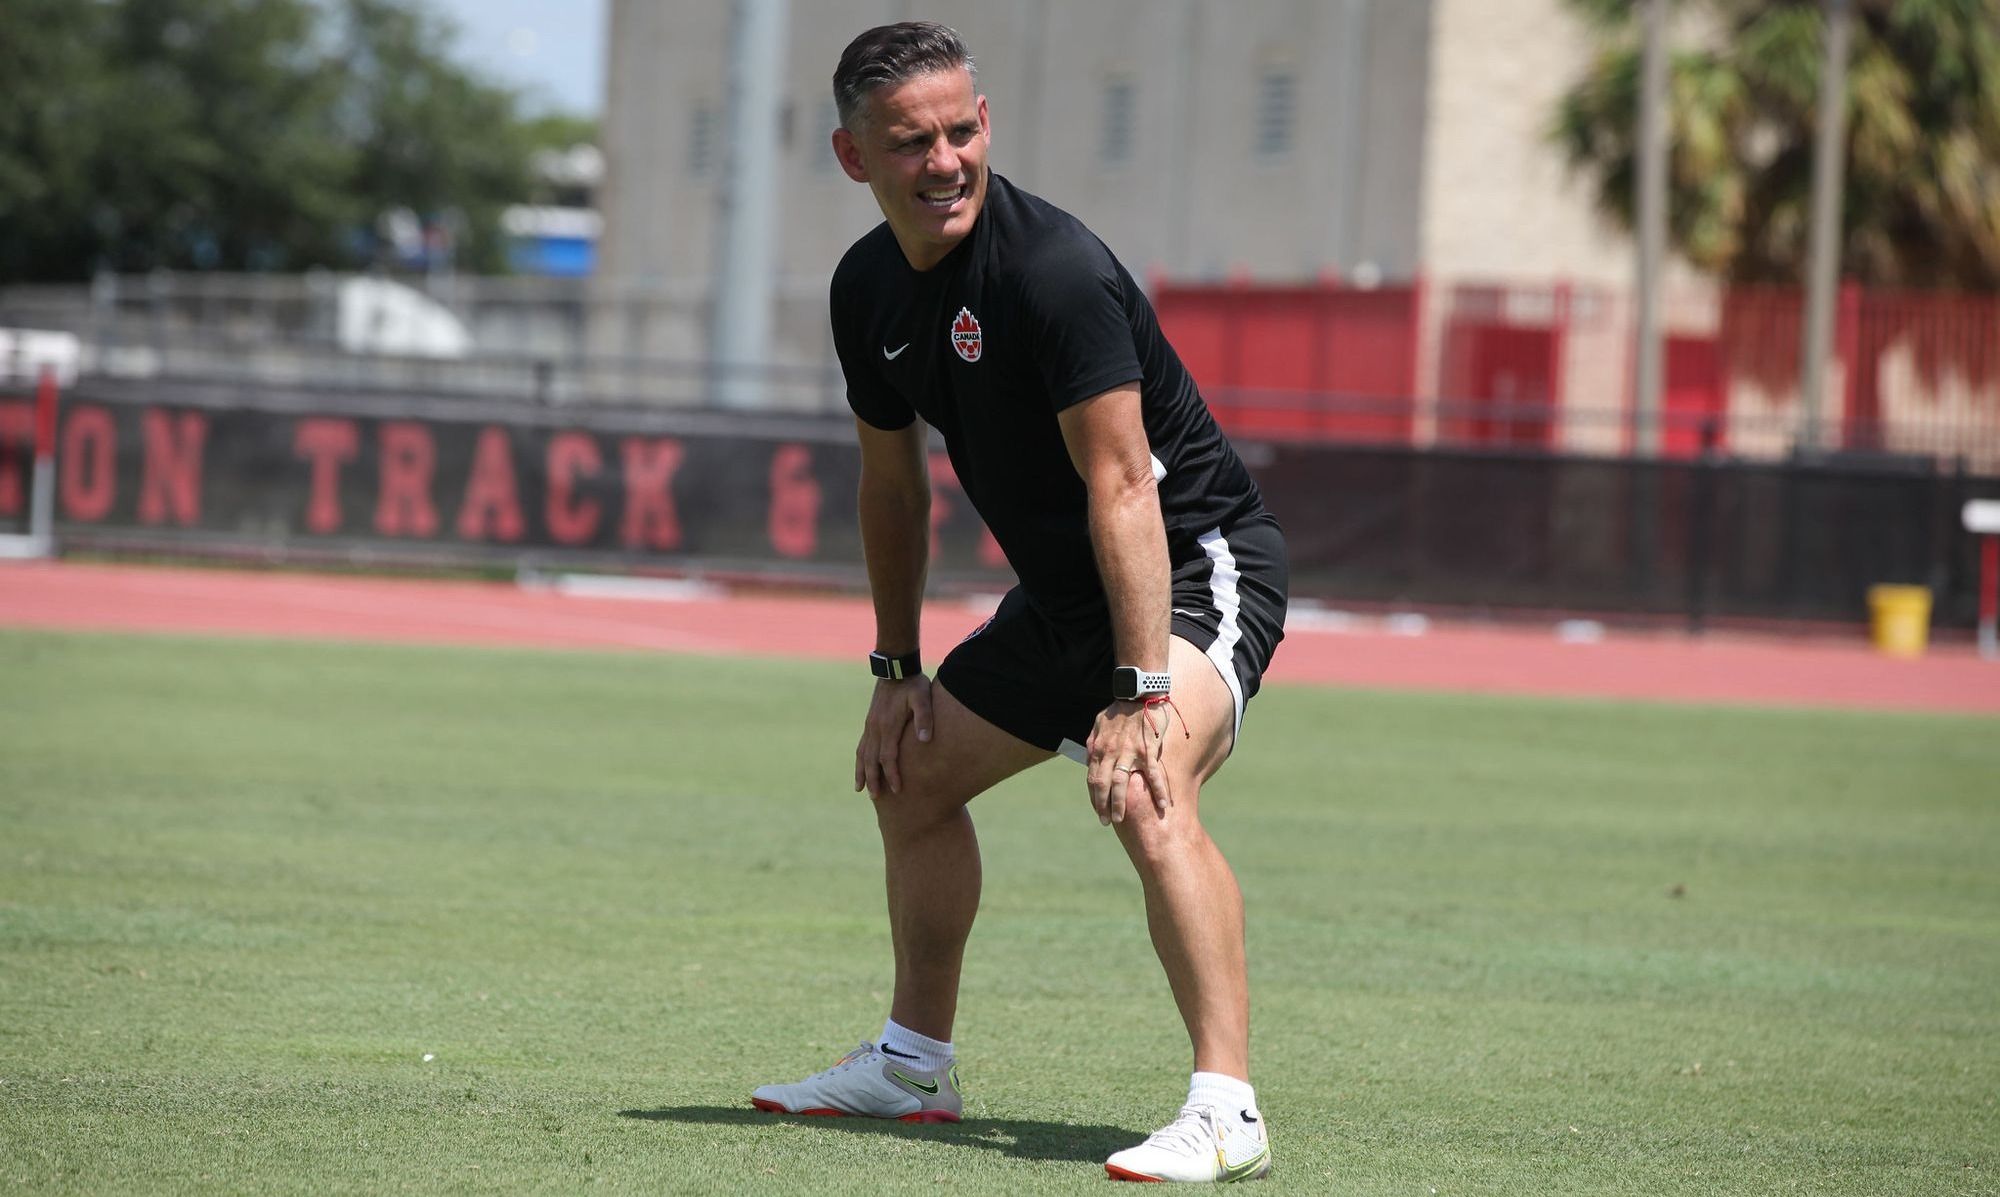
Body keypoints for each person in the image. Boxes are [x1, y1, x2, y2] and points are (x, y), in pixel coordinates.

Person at [749, 21, 1289, 1184]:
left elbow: (1122, 485)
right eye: (910, 142)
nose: (943, 160)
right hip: (1060, 595)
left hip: (1191, 564)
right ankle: (910, 1065)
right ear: (854, 158)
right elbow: (890, 491)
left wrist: (1141, 691)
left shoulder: (1051, 271)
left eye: (960, 131)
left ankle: (1226, 1107)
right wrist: (896, 673)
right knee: (912, 774)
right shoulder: (866, 290)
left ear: (984, 124)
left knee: (1145, 791)